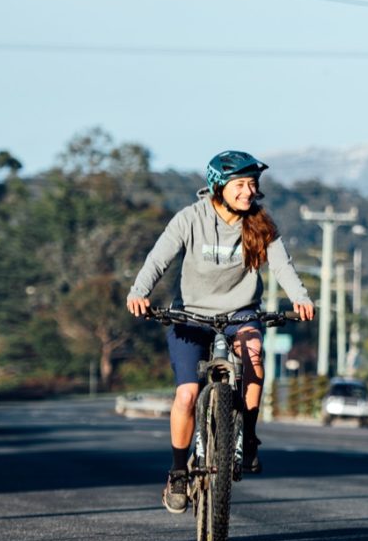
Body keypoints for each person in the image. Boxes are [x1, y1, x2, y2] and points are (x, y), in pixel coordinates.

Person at [127, 150, 314, 514]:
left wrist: (301, 298)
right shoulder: (190, 219)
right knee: (186, 395)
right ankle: (179, 472)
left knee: (254, 355)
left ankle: (247, 435)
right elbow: (158, 258)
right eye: (241, 185)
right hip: (191, 316)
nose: (249, 191)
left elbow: (283, 266)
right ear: (219, 186)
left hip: (240, 313)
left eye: (253, 184)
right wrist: (139, 291)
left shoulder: (260, 224)